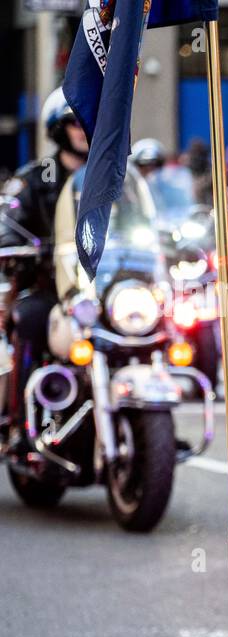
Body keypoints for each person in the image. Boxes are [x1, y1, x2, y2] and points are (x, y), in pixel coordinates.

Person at [0, 88, 88, 446]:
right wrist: (17, 245)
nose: (83, 128)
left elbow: (141, 221)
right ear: (59, 129)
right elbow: (8, 223)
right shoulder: (35, 178)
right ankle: (21, 422)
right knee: (32, 318)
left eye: (88, 121)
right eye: (74, 122)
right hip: (49, 289)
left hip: (99, 291)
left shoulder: (113, 177)